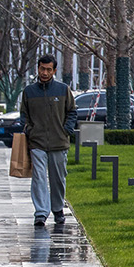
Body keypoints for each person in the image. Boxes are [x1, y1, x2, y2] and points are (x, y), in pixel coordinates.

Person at [18, 54, 77, 226]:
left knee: (58, 178)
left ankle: (57, 209)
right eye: (42, 69)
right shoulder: (29, 91)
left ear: (54, 70)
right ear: (38, 68)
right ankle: (41, 213)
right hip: (37, 142)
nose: (45, 72)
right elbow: (24, 115)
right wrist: (29, 130)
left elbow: (72, 111)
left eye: (48, 69)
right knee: (39, 178)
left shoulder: (63, 89)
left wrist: (66, 129)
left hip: (59, 142)